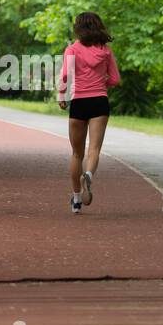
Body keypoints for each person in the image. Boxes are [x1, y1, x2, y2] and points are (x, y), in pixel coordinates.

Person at [57, 12, 120, 213]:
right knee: (94, 150)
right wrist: (103, 82)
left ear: (78, 28)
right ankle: (90, 175)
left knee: (76, 153)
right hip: (99, 102)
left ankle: (76, 200)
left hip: (79, 102)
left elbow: (65, 74)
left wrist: (61, 94)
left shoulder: (72, 49)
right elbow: (115, 79)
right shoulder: (106, 52)